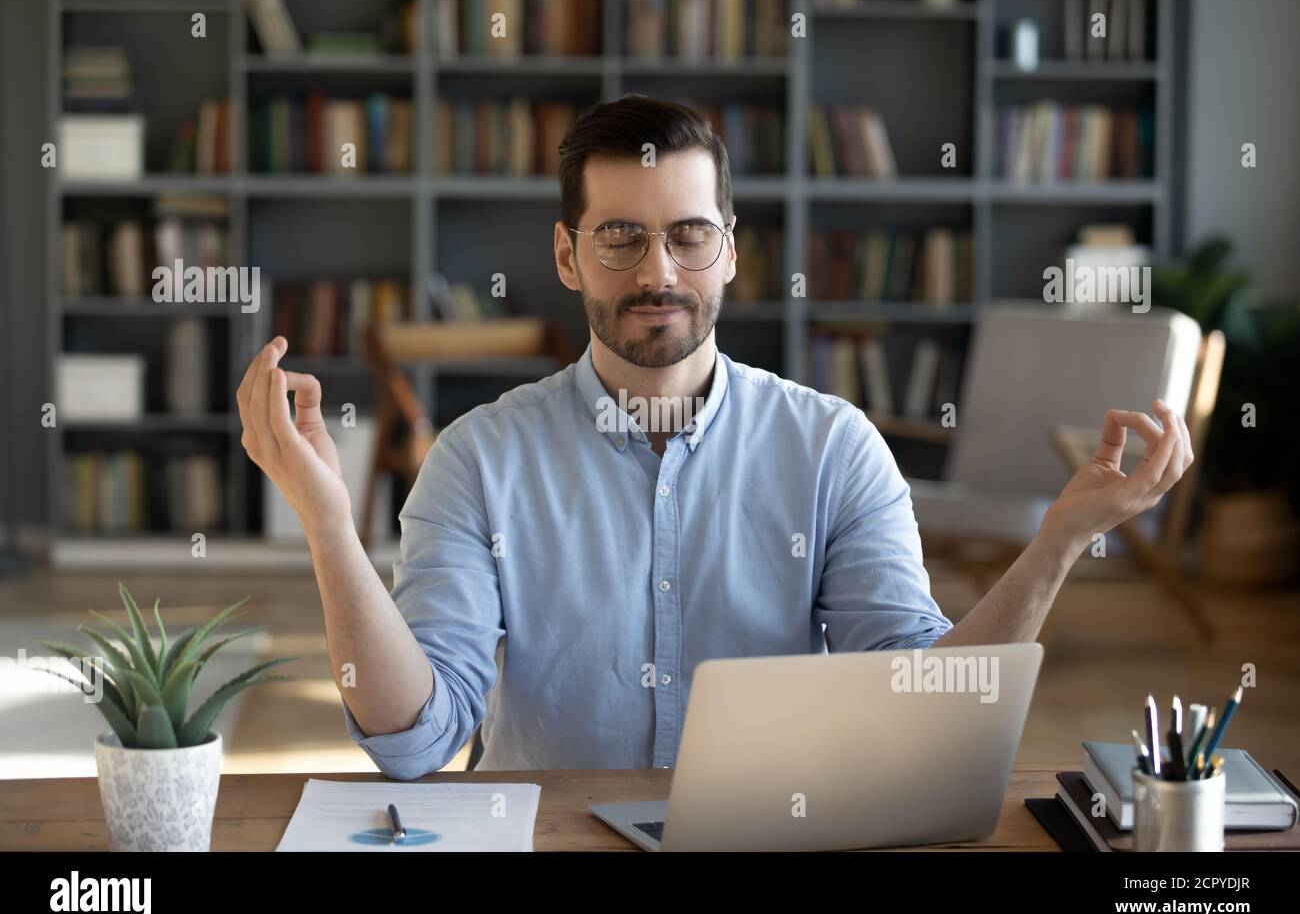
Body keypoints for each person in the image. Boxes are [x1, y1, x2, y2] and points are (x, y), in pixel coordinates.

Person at [236, 95, 1193, 778]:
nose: (659, 271)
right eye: (619, 237)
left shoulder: (834, 449)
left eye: (689, 234)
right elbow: (414, 743)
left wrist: (1060, 538)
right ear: (568, 256)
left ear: (730, 249)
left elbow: (927, 710)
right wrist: (329, 522)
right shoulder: (479, 460)